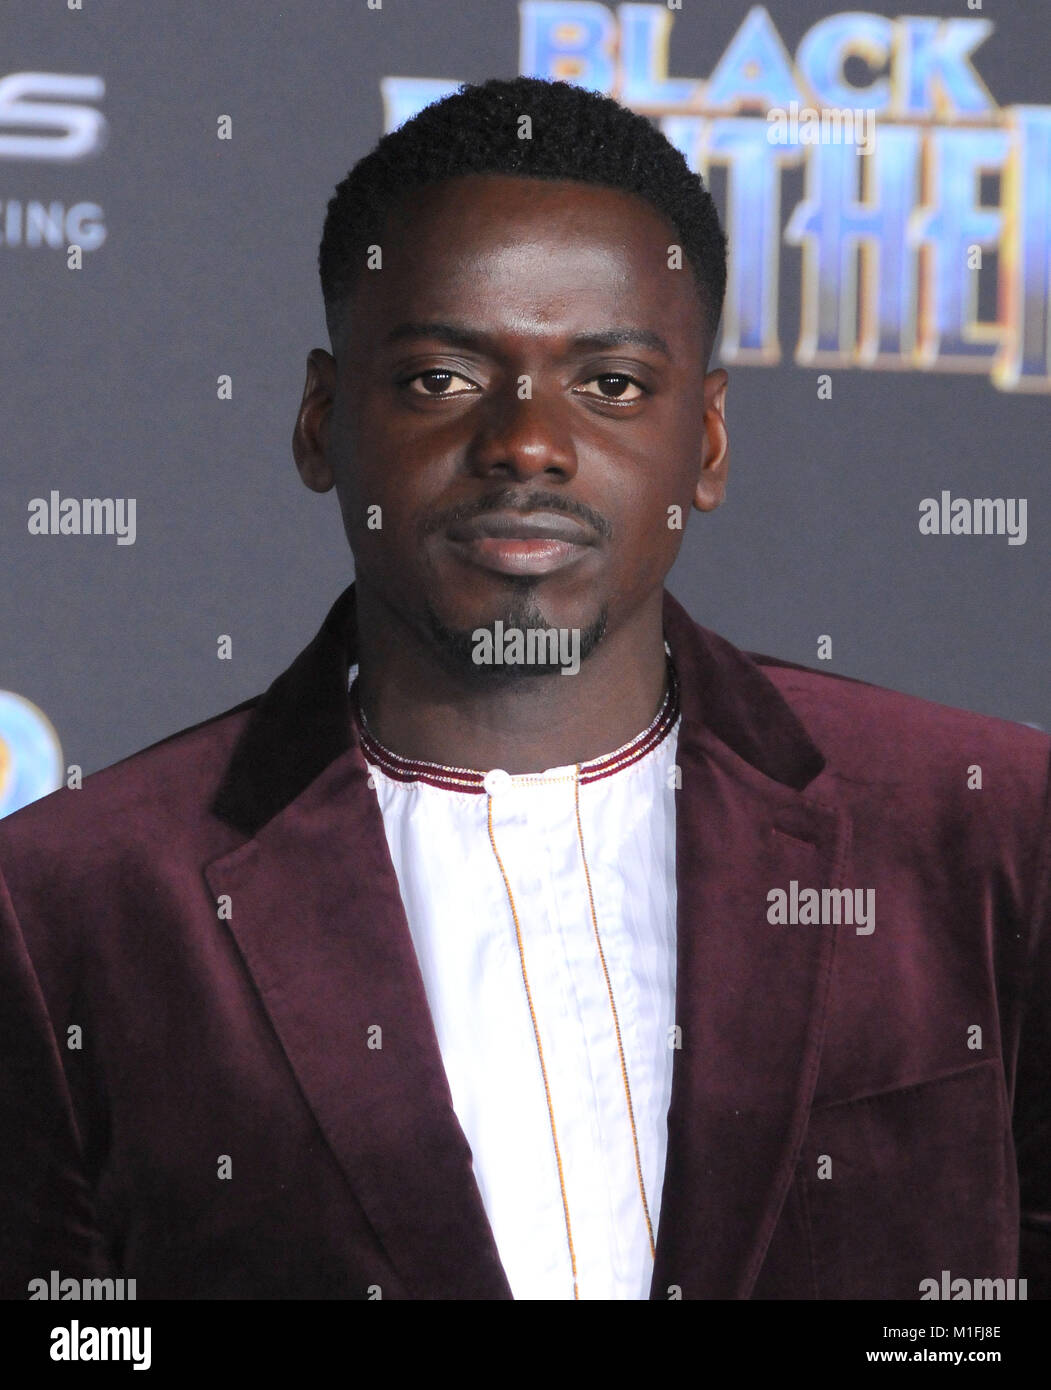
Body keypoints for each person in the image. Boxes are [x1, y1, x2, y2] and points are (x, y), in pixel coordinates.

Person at [1, 76, 1048, 1302]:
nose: (526, 444)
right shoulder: (69, 905)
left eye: (607, 383)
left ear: (704, 443)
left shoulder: (987, 826)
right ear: (321, 421)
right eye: (443, 378)